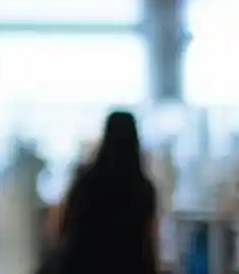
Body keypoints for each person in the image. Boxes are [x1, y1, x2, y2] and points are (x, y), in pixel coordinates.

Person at [48, 111, 157, 274]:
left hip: (83, 265)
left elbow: (61, 226)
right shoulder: (144, 189)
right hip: (130, 266)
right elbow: (149, 239)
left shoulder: (86, 183)